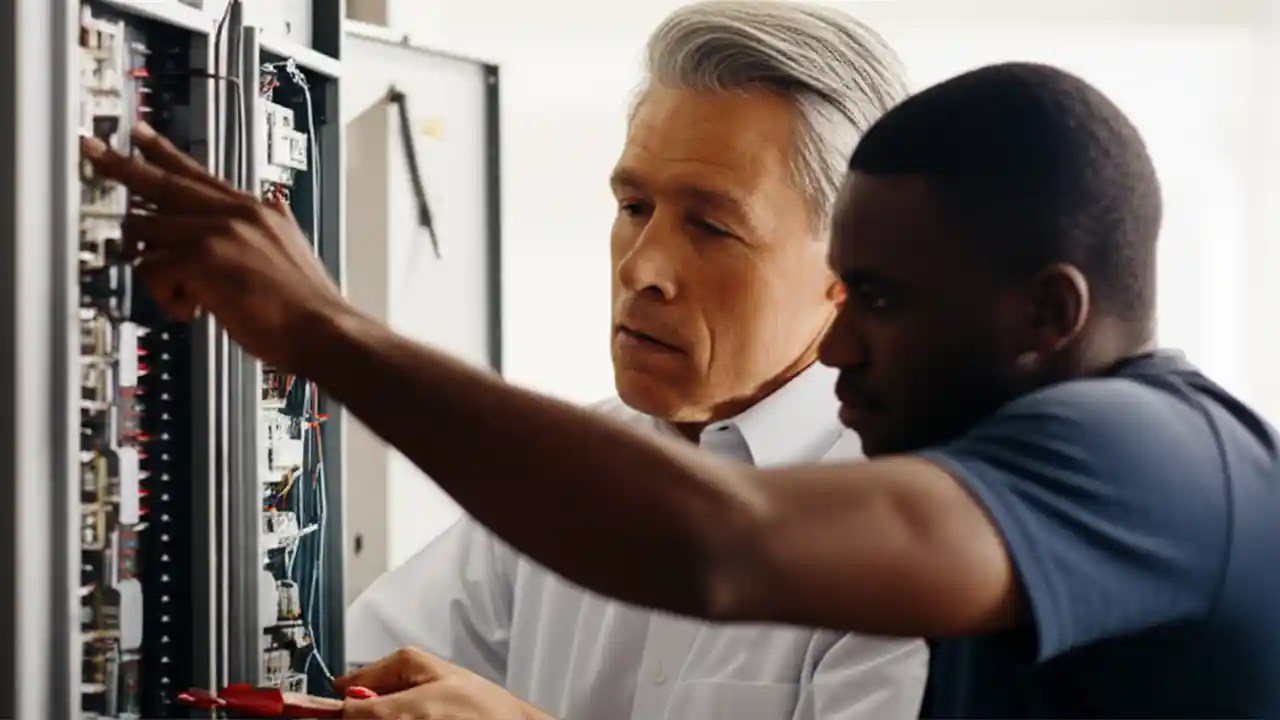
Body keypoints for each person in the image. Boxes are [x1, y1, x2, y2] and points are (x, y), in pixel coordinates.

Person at [83, 57, 1280, 720]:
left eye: (879, 300)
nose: (843, 344)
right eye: (630, 207)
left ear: (1046, 315)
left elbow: (715, 546)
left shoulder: (1153, 459)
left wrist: (323, 329)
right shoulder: (999, 493)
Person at [341, 3, 926, 718]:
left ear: (851, 266)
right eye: (633, 206)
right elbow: (344, 669)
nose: (642, 268)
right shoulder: (560, 474)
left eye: (712, 227)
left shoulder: (912, 538)